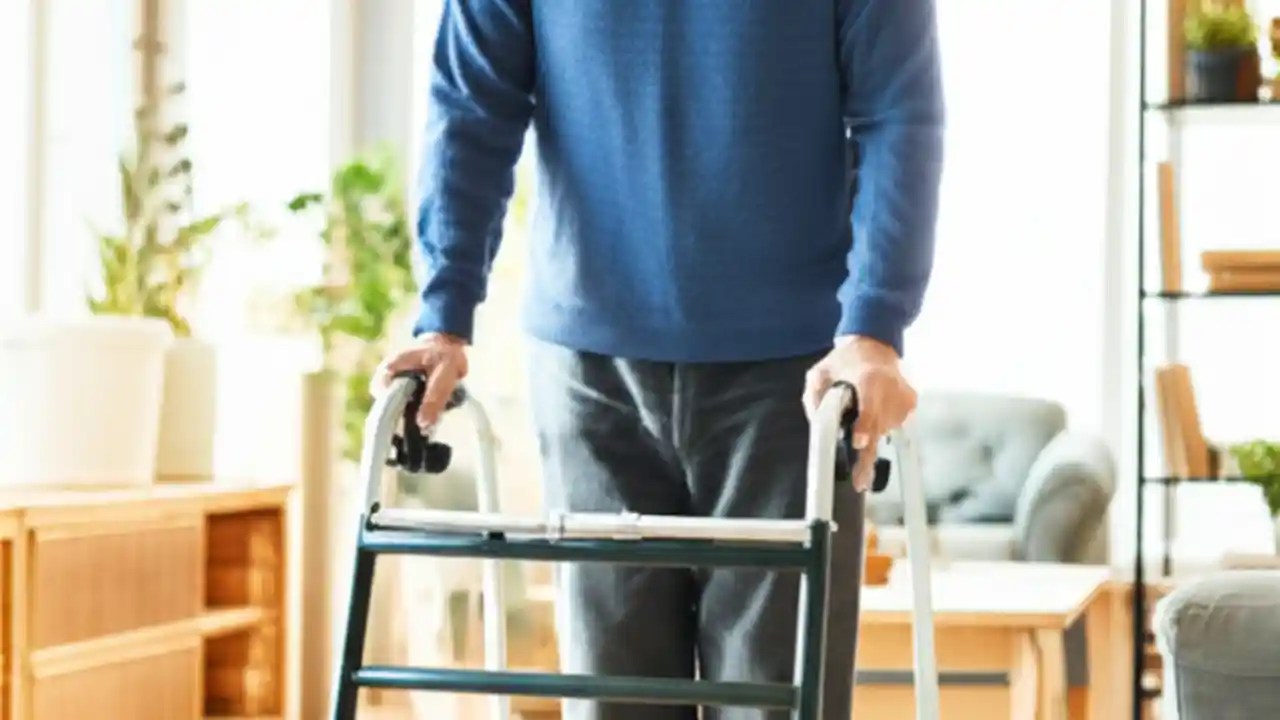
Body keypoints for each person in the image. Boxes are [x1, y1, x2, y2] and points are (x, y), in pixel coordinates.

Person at [376, 1, 943, 718]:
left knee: (775, 700)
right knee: (613, 702)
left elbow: (898, 110)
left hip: (792, 378)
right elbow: (472, 103)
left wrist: (875, 327)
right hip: (590, 369)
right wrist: (444, 315)